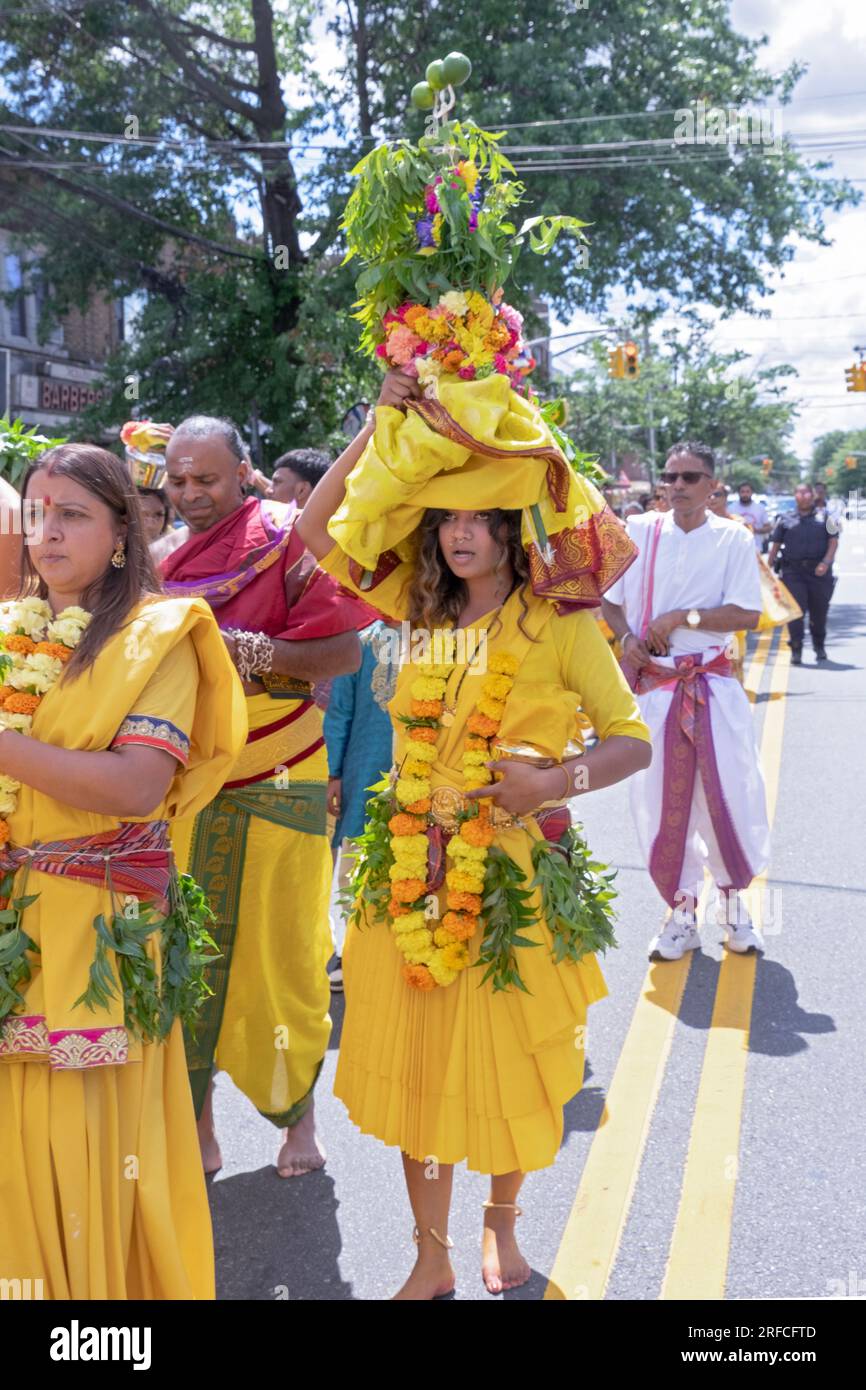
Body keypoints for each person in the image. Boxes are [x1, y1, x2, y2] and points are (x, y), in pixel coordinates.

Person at [297, 369, 651, 1300]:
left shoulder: (563, 628)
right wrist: (383, 415)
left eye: (480, 518)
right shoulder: (413, 618)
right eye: (445, 516)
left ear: (513, 530)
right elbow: (311, 530)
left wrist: (549, 782)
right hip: (401, 873)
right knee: (419, 1068)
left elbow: (630, 744)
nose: (459, 534)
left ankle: (502, 1230)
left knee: (502, 1068)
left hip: (509, 881)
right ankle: (429, 1253)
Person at [0, 443, 246, 1299]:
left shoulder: (161, 635)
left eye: (72, 514)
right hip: (15, 927)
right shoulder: (13, 633)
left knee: (94, 1143)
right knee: (17, 1144)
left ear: (119, 533)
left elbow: (137, 786)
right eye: (37, 513)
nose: (48, 531)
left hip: (100, 928)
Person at [159, 415, 372, 1179]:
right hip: (182, 784)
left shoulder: (285, 538)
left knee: (283, 954)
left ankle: (298, 1123)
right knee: (185, 956)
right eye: (177, 480)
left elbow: (342, 654)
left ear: (243, 473)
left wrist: (257, 654)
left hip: (283, 774)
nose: (190, 494)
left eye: (205, 479)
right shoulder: (157, 560)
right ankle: (200, 1126)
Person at [602, 441, 769, 962]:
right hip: (656, 689)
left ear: (713, 485)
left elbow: (745, 615)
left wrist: (682, 619)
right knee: (658, 805)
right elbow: (609, 604)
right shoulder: (640, 533)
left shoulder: (733, 539)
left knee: (728, 797)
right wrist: (628, 638)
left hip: (711, 688)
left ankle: (735, 911)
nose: (677, 486)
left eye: (690, 477)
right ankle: (680, 917)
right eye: (671, 476)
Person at [324, 617, 399, 991]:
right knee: (354, 864)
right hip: (363, 772)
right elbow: (340, 712)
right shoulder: (362, 640)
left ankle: (394, 951)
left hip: (425, 778)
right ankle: (349, 950)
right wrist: (334, 774)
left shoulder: (443, 634)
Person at [767, 481, 839, 664]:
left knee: (819, 613)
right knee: (796, 612)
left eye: (807, 492)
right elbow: (775, 545)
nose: (804, 496)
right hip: (793, 573)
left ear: (813, 494)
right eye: (799, 493)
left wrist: (826, 562)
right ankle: (796, 648)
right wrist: (767, 570)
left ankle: (819, 645)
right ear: (795, 496)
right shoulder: (784, 519)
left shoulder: (828, 517)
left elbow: (833, 542)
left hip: (819, 573)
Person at [728, 480, 770, 549]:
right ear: (738, 493)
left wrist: (754, 530)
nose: (745, 494)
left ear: (752, 493)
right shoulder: (731, 509)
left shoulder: (760, 508)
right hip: (736, 548)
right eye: (742, 492)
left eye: (747, 492)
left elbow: (768, 527)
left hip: (756, 548)